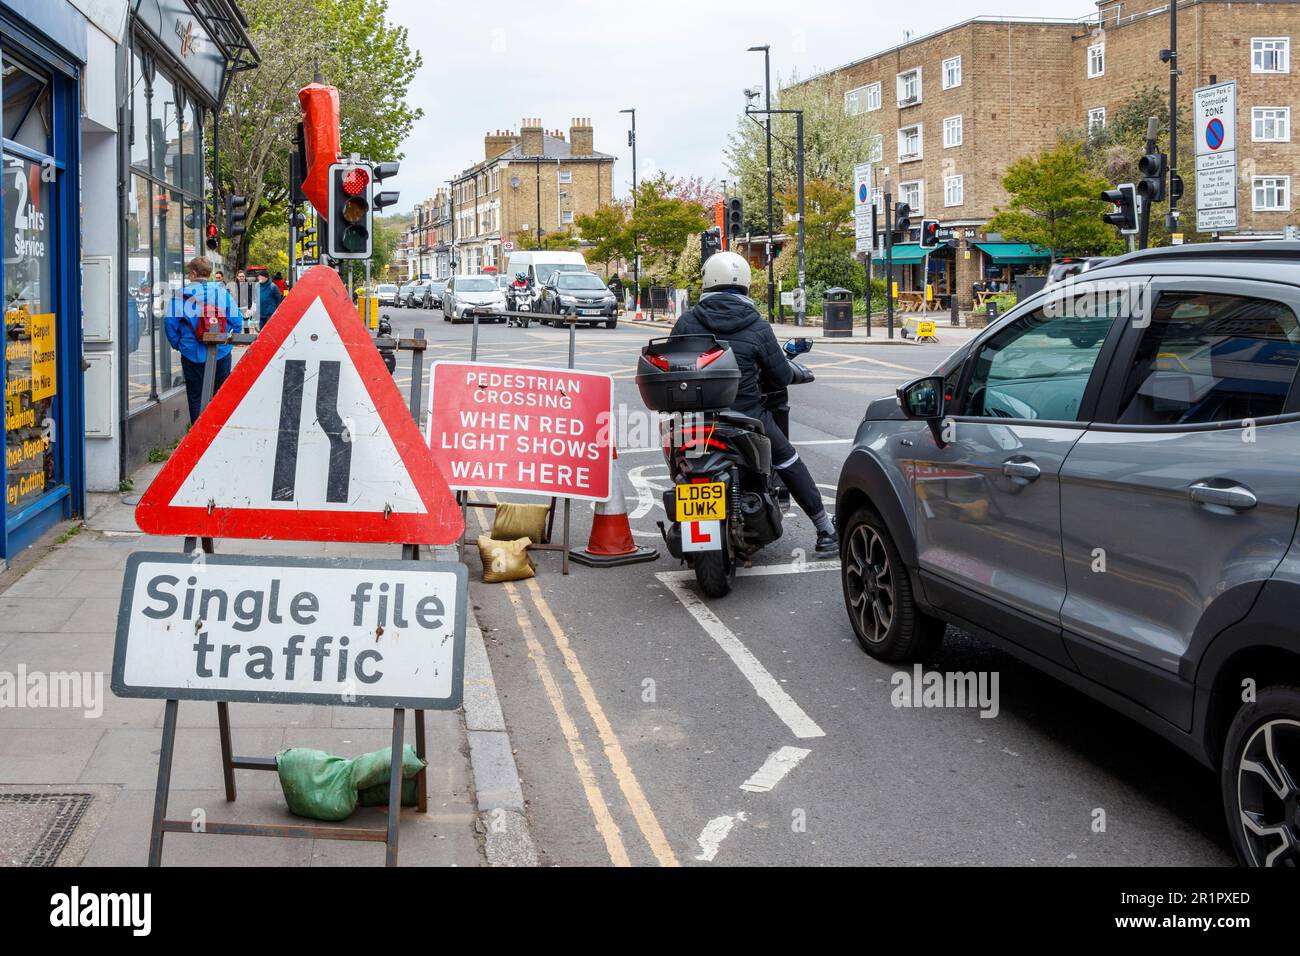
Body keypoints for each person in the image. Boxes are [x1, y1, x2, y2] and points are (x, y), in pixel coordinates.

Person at [669, 251, 838, 554]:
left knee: (679, 463)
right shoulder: (757, 326)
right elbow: (780, 375)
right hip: (745, 416)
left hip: (696, 420)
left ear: (707, 281)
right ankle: (825, 528)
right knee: (786, 459)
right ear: (745, 283)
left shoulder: (686, 321)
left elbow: (670, 365)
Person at [164, 256, 243, 425]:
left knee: (195, 397)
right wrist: (226, 342)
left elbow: (170, 325)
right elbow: (237, 322)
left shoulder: (181, 296)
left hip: (192, 353)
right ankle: (218, 434)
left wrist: (178, 344)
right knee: (220, 396)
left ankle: (198, 438)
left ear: (193, 273)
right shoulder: (222, 293)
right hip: (220, 353)